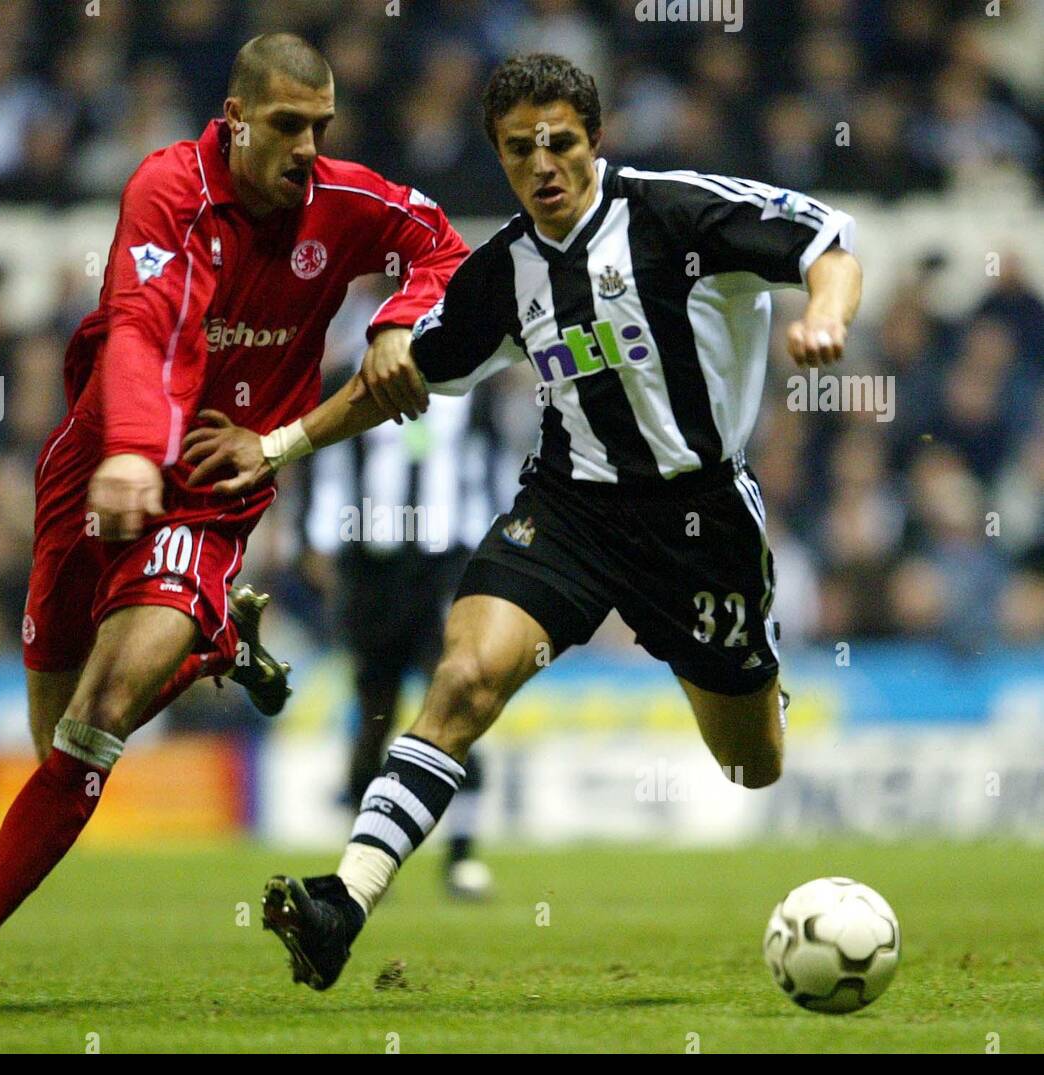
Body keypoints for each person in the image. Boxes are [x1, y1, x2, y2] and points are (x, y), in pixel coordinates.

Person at [180, 54, 862, 991]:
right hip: (569, 510)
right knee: (461, 678)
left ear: (594, 139)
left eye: (560, 143)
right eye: (517, 150)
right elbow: (397, 385)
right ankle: (344, 903)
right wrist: (278, 445)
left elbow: (827, 241)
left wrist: (824, 317)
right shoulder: (502, 271)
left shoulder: (676, 214)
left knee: (752, 767)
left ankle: (757, 685)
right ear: (499, 156)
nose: (542, 166)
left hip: (699, 520)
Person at [0, 33, 470, 1012]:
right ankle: (217, 647)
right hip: (99, 458)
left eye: (320, 126)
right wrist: (127, 447)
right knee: (59, 742)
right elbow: (141, 322)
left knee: (99, 717)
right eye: (287, 125)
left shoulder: (345, 199)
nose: (307, 146)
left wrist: (395, 319)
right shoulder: (167, 189)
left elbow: (443, 246)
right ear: (236, 118)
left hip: (211, 480)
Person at [301, 280, 512, 897]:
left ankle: (462, 854)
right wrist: (319, 541)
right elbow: (327, 458)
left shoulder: (471, 382)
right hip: (372, 563)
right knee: (372, 709)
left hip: (447, 562)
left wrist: (497, 542)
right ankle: (365, 858)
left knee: (460, 693)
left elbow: (493, 464)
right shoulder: (350, 371)